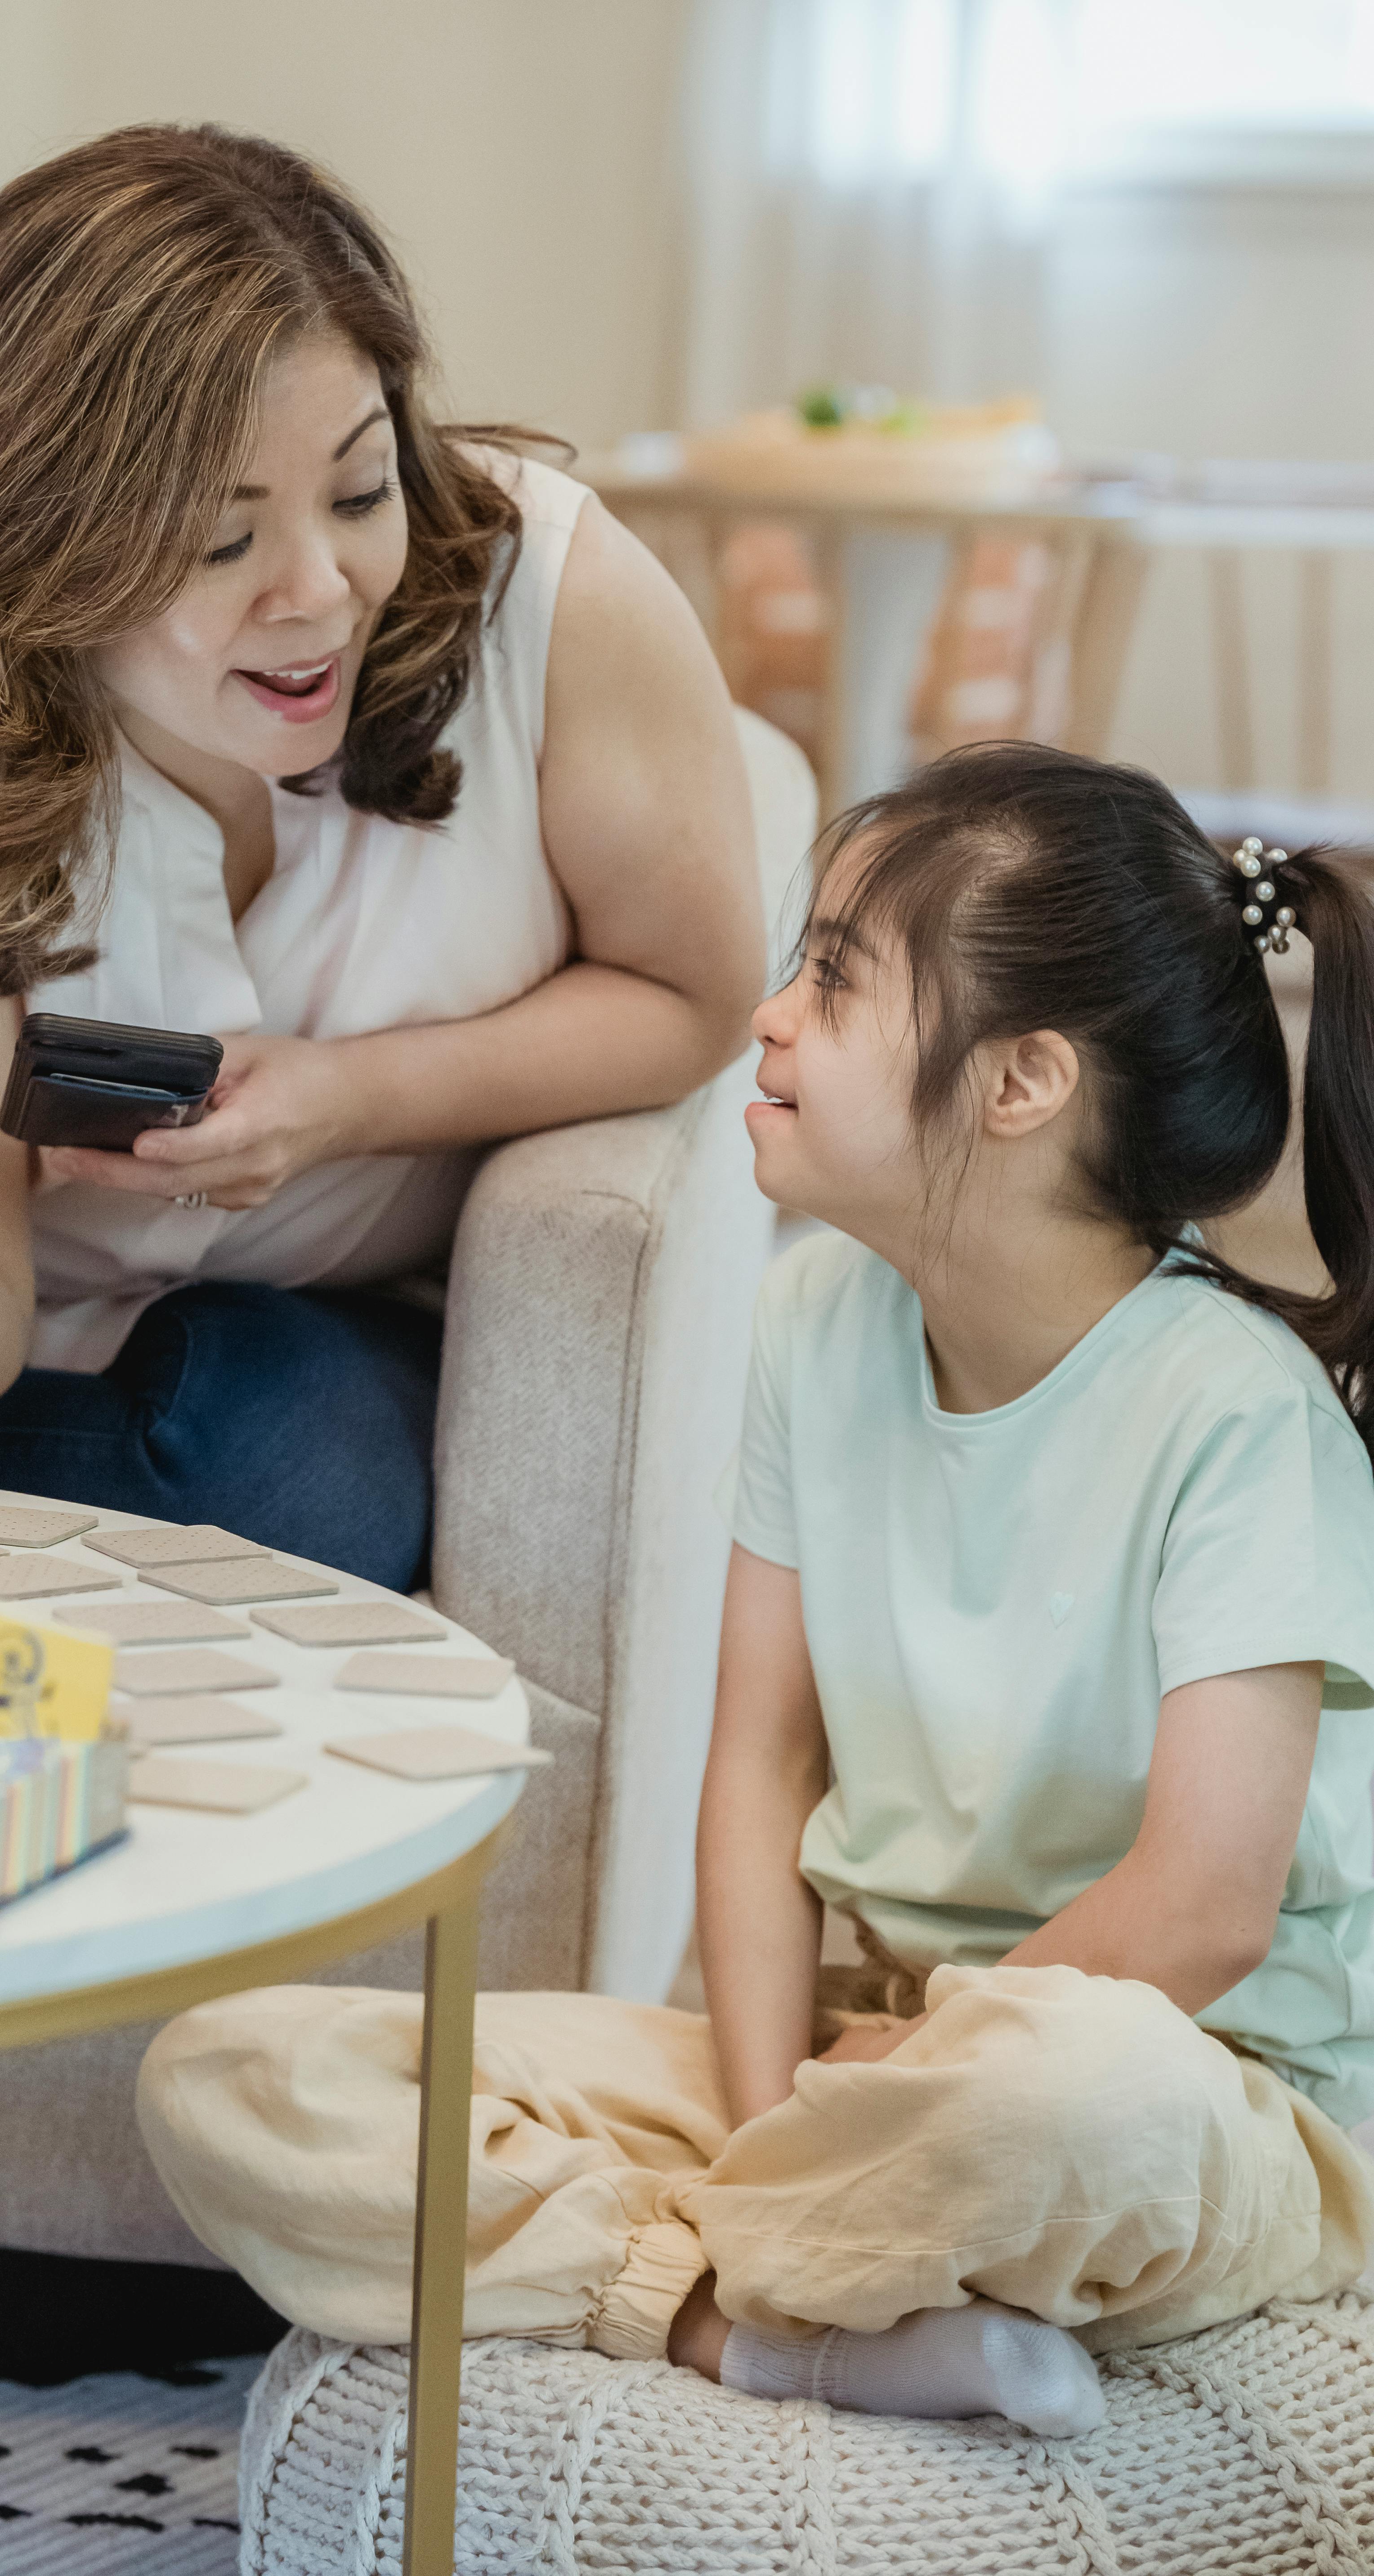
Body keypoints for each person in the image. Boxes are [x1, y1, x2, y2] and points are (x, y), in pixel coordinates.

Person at [136, 744, 1374, 2438]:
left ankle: (696, 2263)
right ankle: (757, 2322)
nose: (770, 1016)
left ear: (1021, 1084)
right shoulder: (813, 1323)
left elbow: (1208, 1909)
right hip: (869, 2056)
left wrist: (916, 2079)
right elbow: (762, 1765)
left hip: (1197, 2084)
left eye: (835, 983)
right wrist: (769, 2099)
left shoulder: (1239, 1415)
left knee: (1075, 2101)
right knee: (242, 2073)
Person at [0, 126, 763, 1589]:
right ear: (41, 544)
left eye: (359, 491)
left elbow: (695, 995)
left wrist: (353, 1099)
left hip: (318, 1289)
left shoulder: (555, 602)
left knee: (292, 1487)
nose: (320, 593)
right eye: (218, 541)